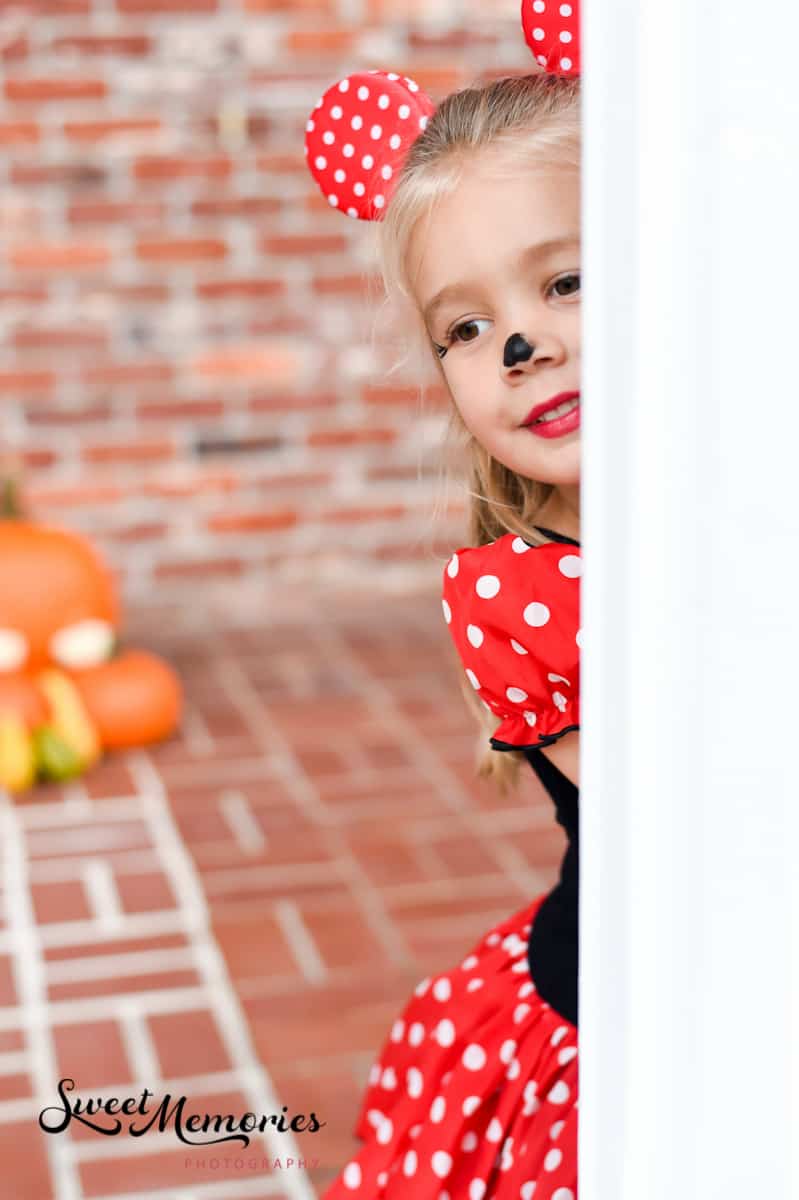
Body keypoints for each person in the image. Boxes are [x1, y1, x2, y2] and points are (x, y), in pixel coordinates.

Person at [306, 38, 582, 1200]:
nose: (520, 347)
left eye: (565, 281)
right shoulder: (523, 596)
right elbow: (694, 829)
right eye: (462, 328)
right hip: (630, 1018)